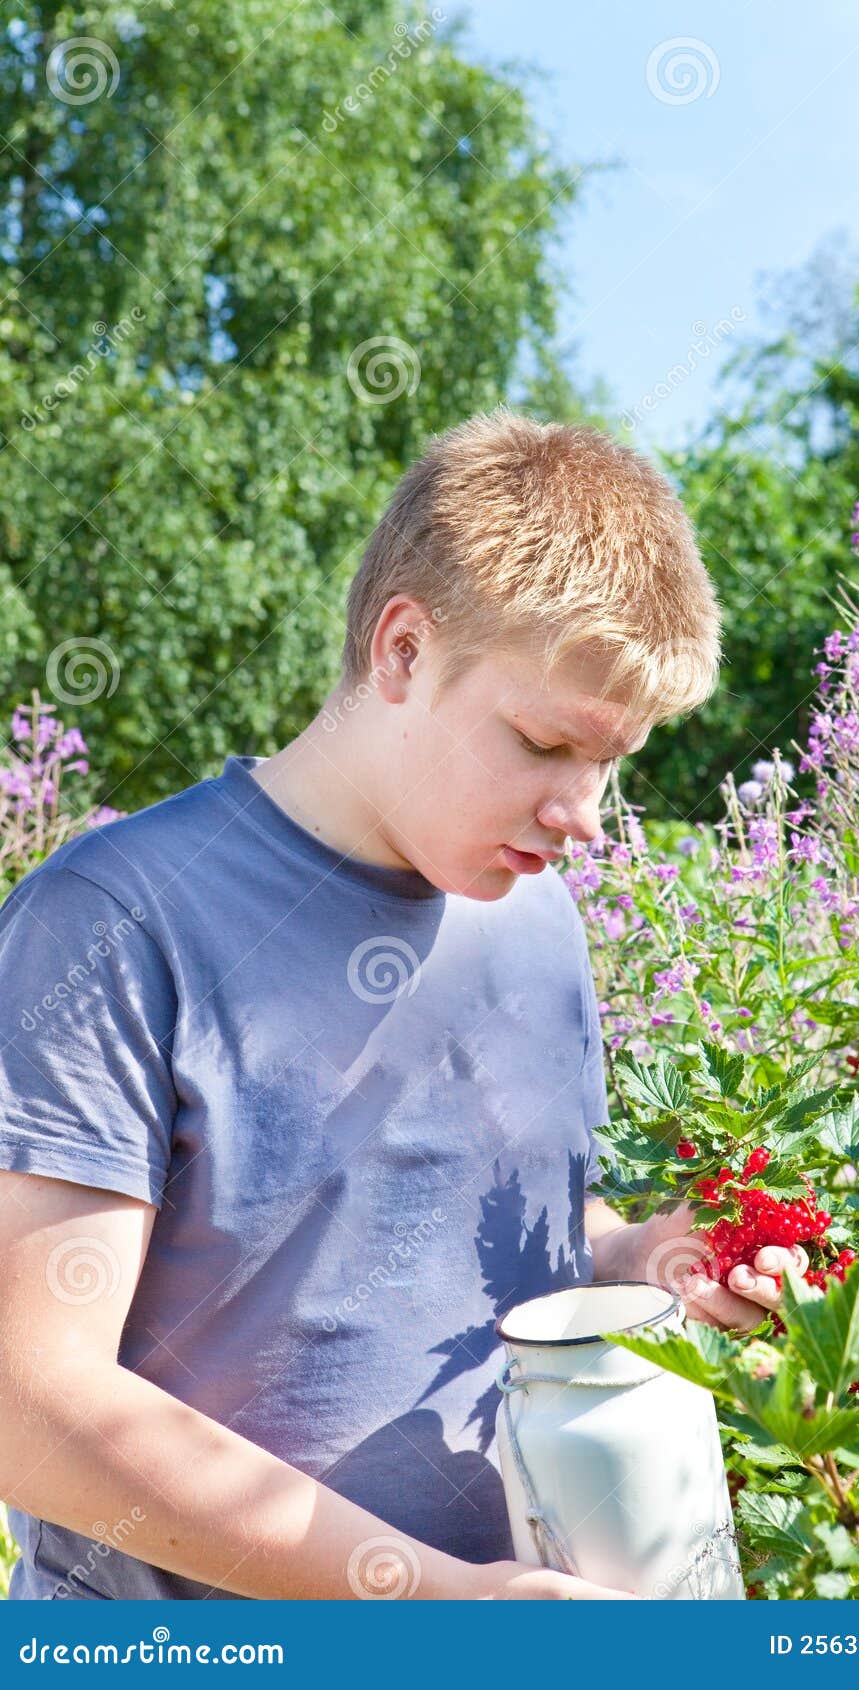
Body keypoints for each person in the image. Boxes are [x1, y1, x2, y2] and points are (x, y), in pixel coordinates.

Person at [0, 409, 806, 1601]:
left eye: (613, 761)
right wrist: (429, 1597)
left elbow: (510, 1233)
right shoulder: (118, 921)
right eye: (542, 742)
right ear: (400, 651)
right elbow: (31, 1403)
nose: (582, 814)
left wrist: (648, 1258)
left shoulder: (535, 920)